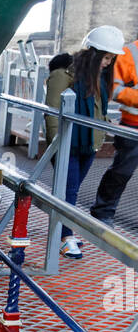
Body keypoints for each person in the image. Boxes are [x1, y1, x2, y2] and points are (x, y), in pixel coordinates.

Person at [45, 25, 125, 258]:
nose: (108, 62)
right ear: (93, 53)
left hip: (88, 144)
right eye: (106, 57)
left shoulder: (97, 77)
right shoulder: (62, 75)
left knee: (72, 190)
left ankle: (64, 231)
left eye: (111, 58)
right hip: (67, 142)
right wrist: (56, 146)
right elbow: (52, 112)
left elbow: (97, 110)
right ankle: (64, 237)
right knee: (68, 191)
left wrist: (108, 124)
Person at [91, 33, 138, 224]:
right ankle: (103, 212)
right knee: (121, 172)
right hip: (133, 125)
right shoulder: (130, 53)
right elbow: (113, 88)